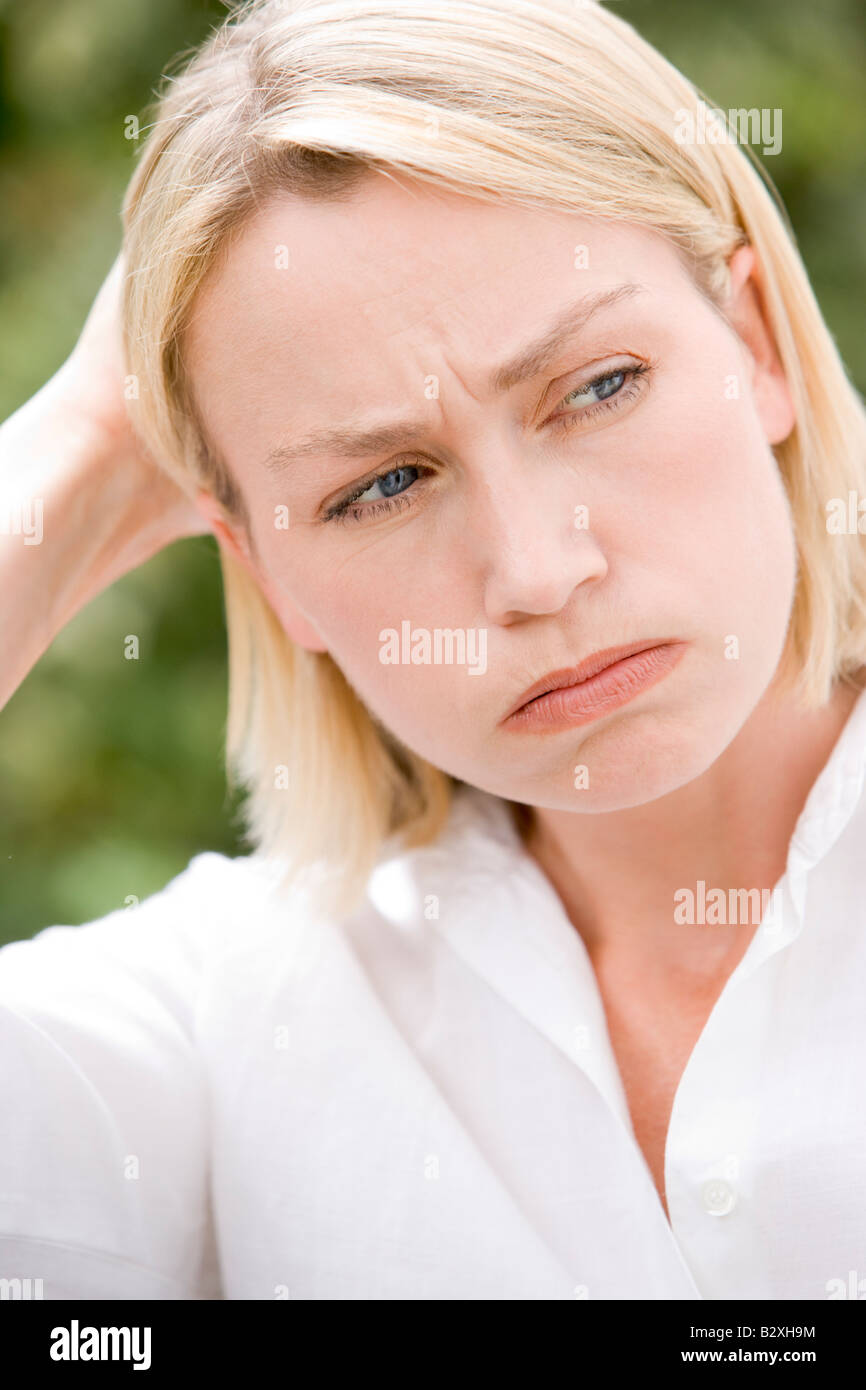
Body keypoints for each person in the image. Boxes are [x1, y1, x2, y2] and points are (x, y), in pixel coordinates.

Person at [2, 0, 865, 1301]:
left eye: (596, 385)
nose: (535, 569)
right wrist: (71, 465)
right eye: (381, 485)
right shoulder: (223, 1018)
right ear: (263, 572)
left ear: (750, 343)